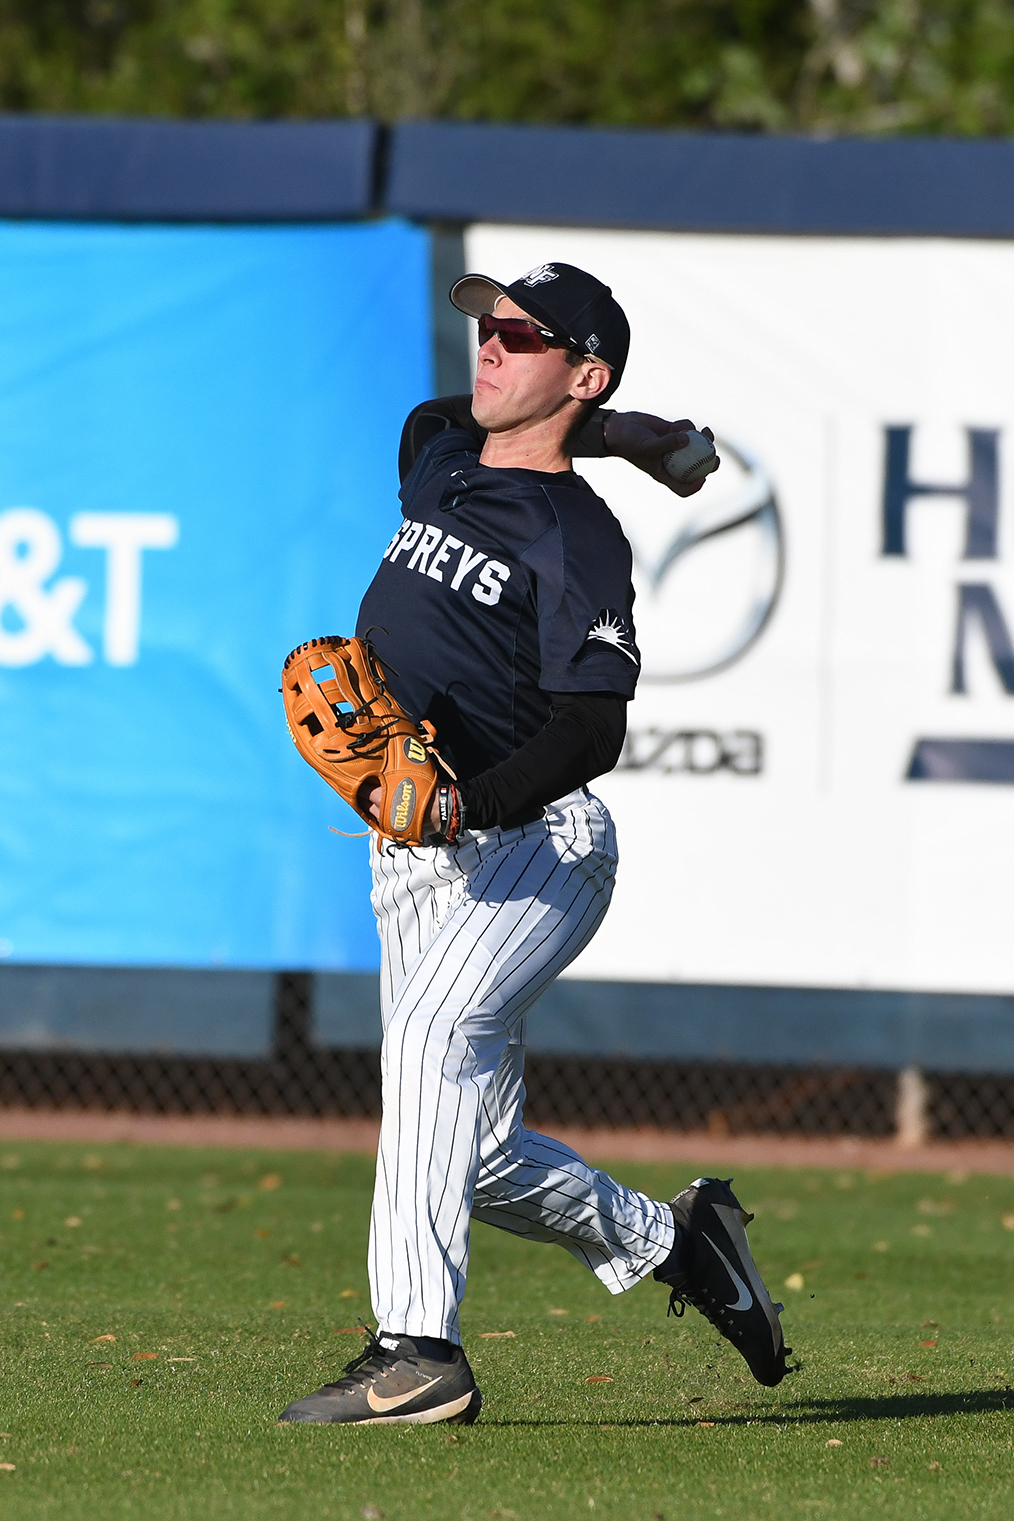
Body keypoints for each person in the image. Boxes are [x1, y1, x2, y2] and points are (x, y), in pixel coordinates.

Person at [279, 262, 789, 1426]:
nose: (490, 345)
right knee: (474, 1145)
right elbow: (439, 414)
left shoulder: (578, 537)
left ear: (582, 366)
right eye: (487, 325)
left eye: (521, 333)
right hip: (412, 860)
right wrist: (637, 430)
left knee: (424, 1040)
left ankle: (417, 1353)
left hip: (533, 845)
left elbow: (593, 724)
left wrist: (474, 805)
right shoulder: (445, 460)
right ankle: (682, 1246)